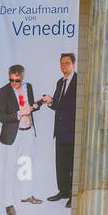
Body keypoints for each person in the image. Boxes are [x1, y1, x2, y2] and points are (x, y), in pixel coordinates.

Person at [0, 64, 42, 215]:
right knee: (9, 169)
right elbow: (1, 117)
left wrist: (40, 103)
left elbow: (32, 107)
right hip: (12, 136)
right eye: (11, 80)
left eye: (17, 80)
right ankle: (8, 203)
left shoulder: (28, 87)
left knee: (26, 166)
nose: (14, 83)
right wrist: (18, 114)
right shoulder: (2, 92)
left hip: (28, 132)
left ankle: (26, 195)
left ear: (22, 77)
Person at [40, 52, 77, 206]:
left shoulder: (78, 81)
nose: (64, 66)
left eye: (67, 63)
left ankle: (72, 195)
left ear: (73, 64)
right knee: (60, 163)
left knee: (71, 164)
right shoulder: (59, 83)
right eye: (62, 63)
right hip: (60, 130)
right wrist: (49, 101)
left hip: (73, 130)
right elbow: (57, 105)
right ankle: (63, 191)